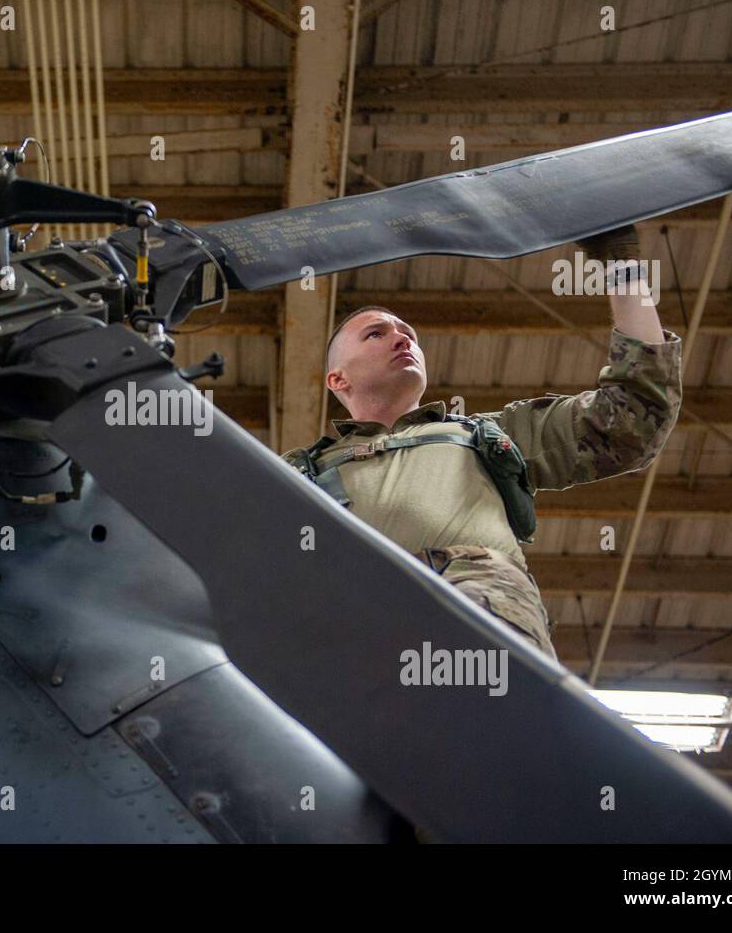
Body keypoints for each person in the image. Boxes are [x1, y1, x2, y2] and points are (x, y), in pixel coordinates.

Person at [283, 226, 682, 658]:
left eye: (409, 335)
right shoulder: (298, 471)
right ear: (337, 379)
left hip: (484, 615)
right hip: (353, 637)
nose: (403, 339)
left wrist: (621, 265)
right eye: (376, 334)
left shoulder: (489, 437)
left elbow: (631, 415)